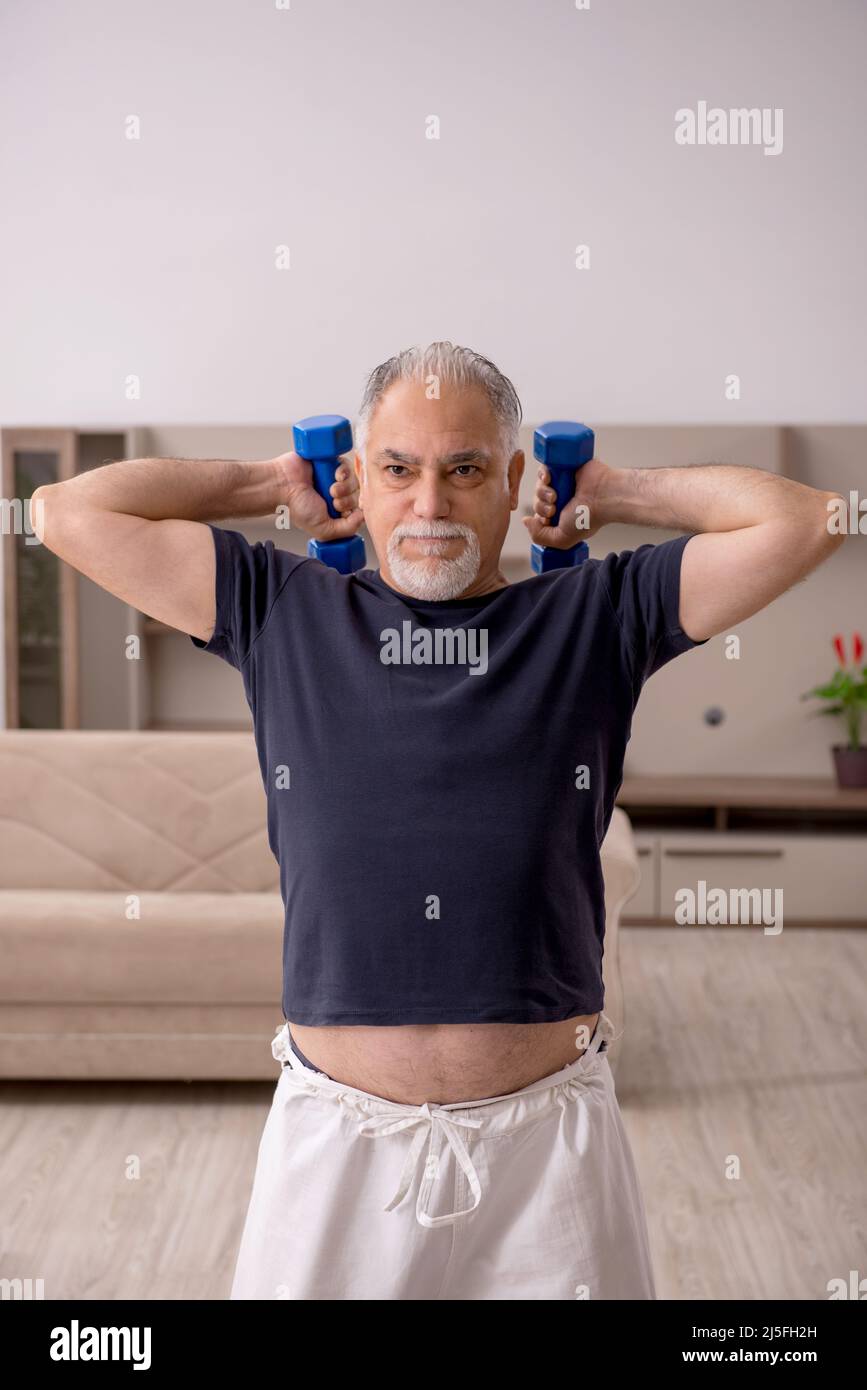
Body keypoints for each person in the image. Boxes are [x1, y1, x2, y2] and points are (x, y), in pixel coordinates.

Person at [31, 343, 846, 1300]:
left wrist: (617, 491)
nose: (428, 504)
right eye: (398, 470)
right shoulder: (277, 607)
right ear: (358, 484)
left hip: (547, 1151)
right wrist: (268, 483)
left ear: (510, 483)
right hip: (338, 1146)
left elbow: (807, 518)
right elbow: (63, 513)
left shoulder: (593, 614)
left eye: (463, 470)